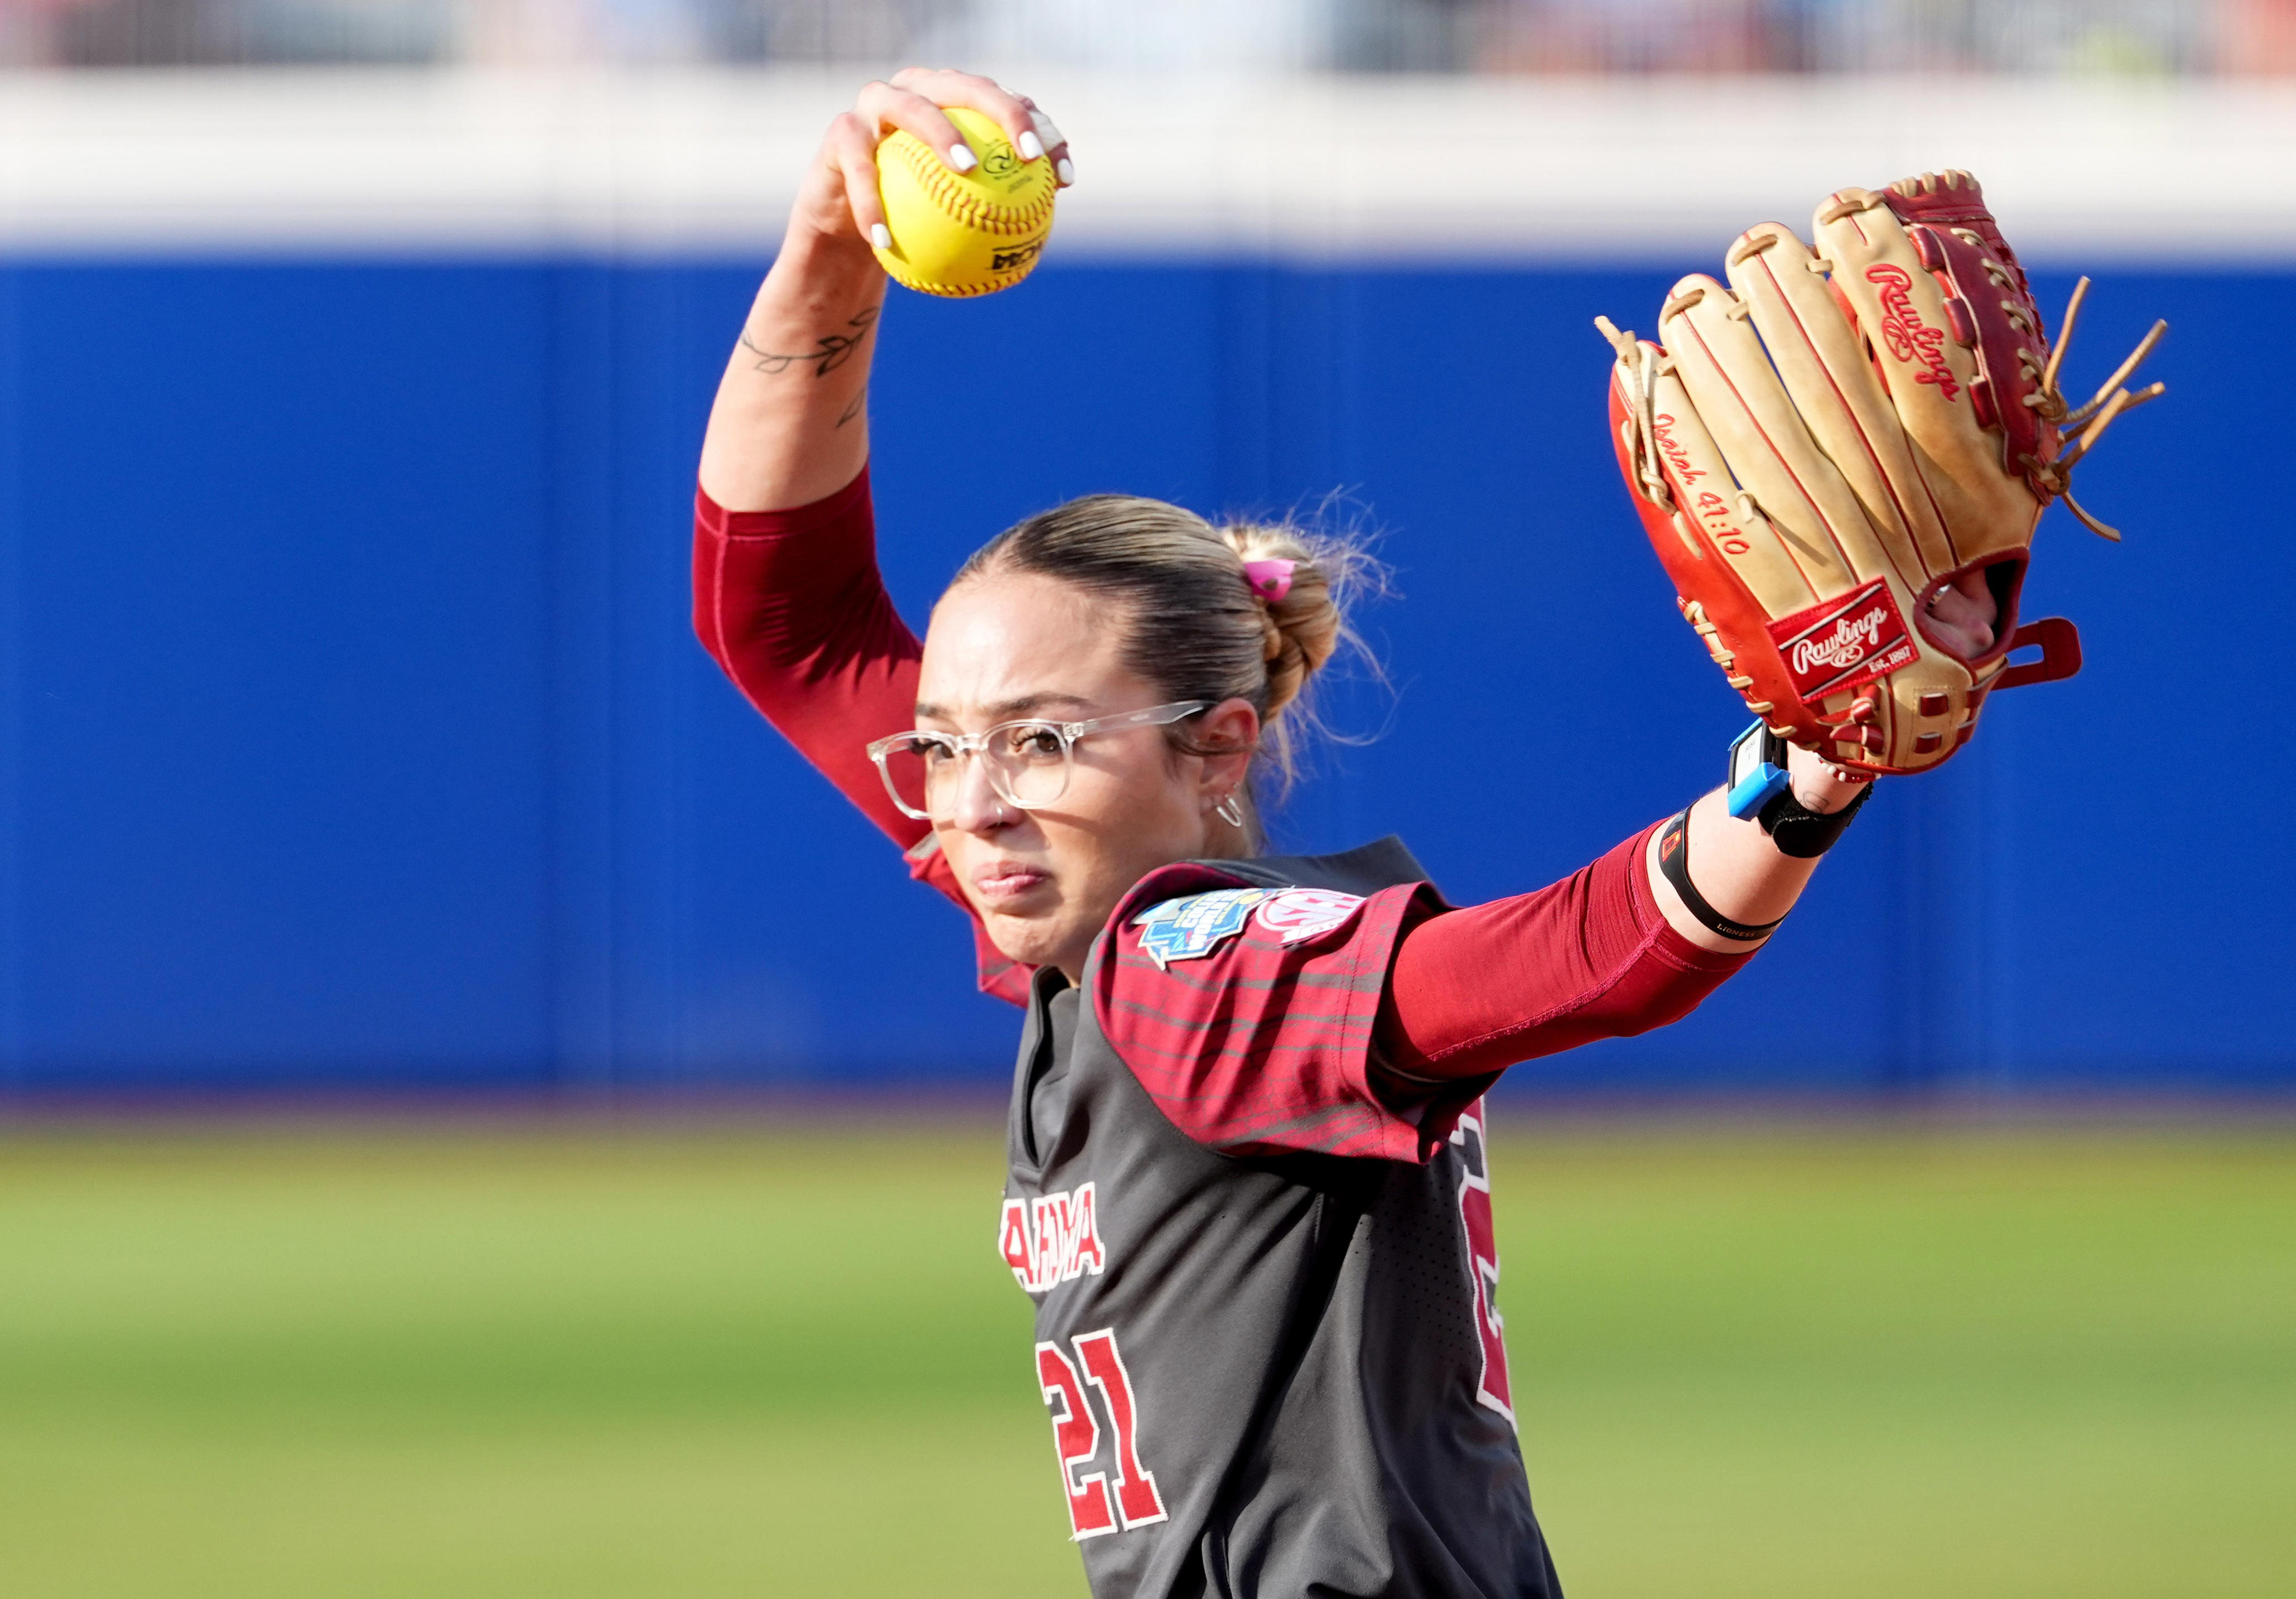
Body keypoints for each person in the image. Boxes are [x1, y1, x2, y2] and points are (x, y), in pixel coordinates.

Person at [693, 69, 1996, 1599]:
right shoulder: (1070, 895)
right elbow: (780, 622)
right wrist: (823, 266)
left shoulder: (1191, 968)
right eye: (947, 743)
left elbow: (1543, 968)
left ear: (1215, 746)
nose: (967, 798)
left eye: (1039, 739)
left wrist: (1795, 779)